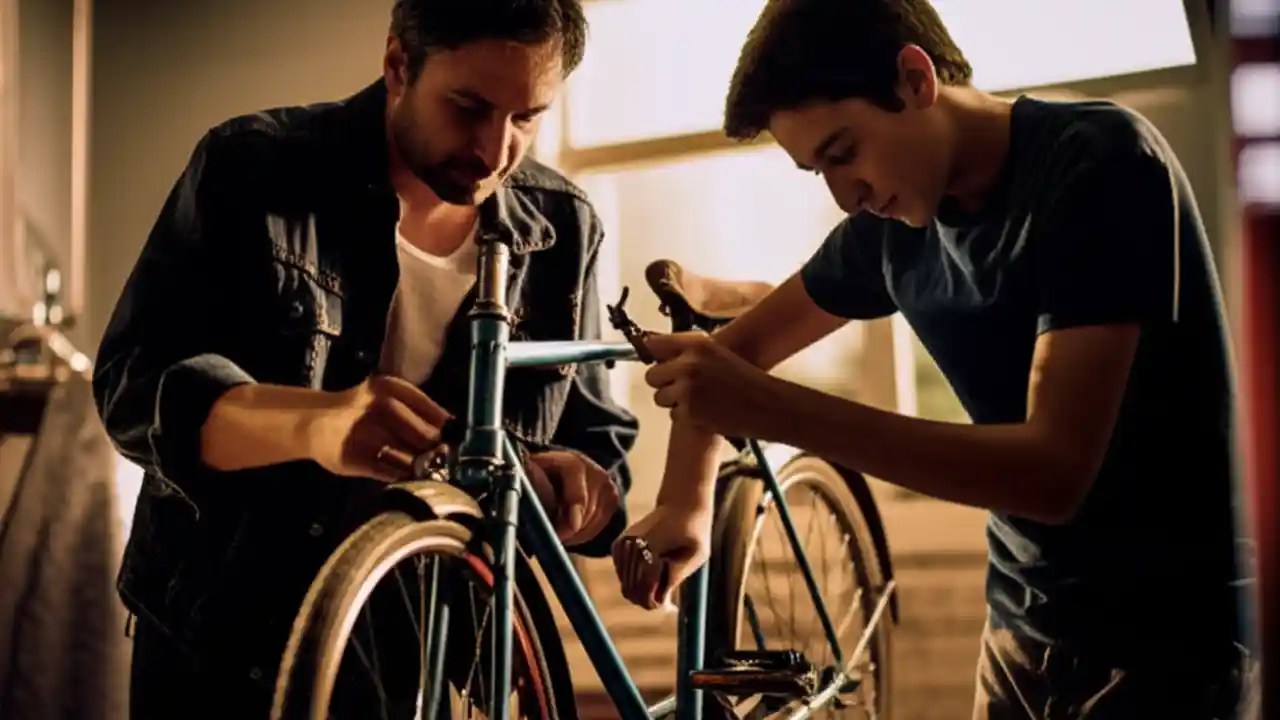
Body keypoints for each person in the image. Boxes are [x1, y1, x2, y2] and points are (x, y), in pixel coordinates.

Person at [613, 0, 1251, 717]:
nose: (844, 196)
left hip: (1167, 638)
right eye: (814, 172)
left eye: (842, 152)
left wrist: (777, 411)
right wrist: (684, 505)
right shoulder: (890, 228)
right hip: (1020, 629)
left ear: (915, 79)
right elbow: (733, 355)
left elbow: (1053, 474)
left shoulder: (1101, 162)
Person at [93, 1, 637, 717]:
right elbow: (135, 391)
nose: (494, 149)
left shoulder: (566, 226)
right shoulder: (253, 165)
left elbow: (599, 450)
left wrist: (578, 489)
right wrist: (314, 426)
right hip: (224, 623)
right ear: (396, 64)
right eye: (469, 106)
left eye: (527, 117)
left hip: (429, 636)